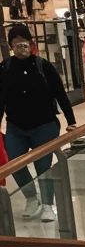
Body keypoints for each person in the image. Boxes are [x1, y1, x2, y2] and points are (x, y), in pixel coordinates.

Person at [1, 23, 76, 223]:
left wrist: (71, 121)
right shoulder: (5, 68)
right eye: (16, 43)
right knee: (14, 163)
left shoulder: (43, 66)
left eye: (24, 42)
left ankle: (48, 204)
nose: (21, 47)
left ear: (31, 43)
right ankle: (31, 199)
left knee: (43, 165)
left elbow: (60, 93)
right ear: (11, 46)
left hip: (45, 125)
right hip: (16, 126)